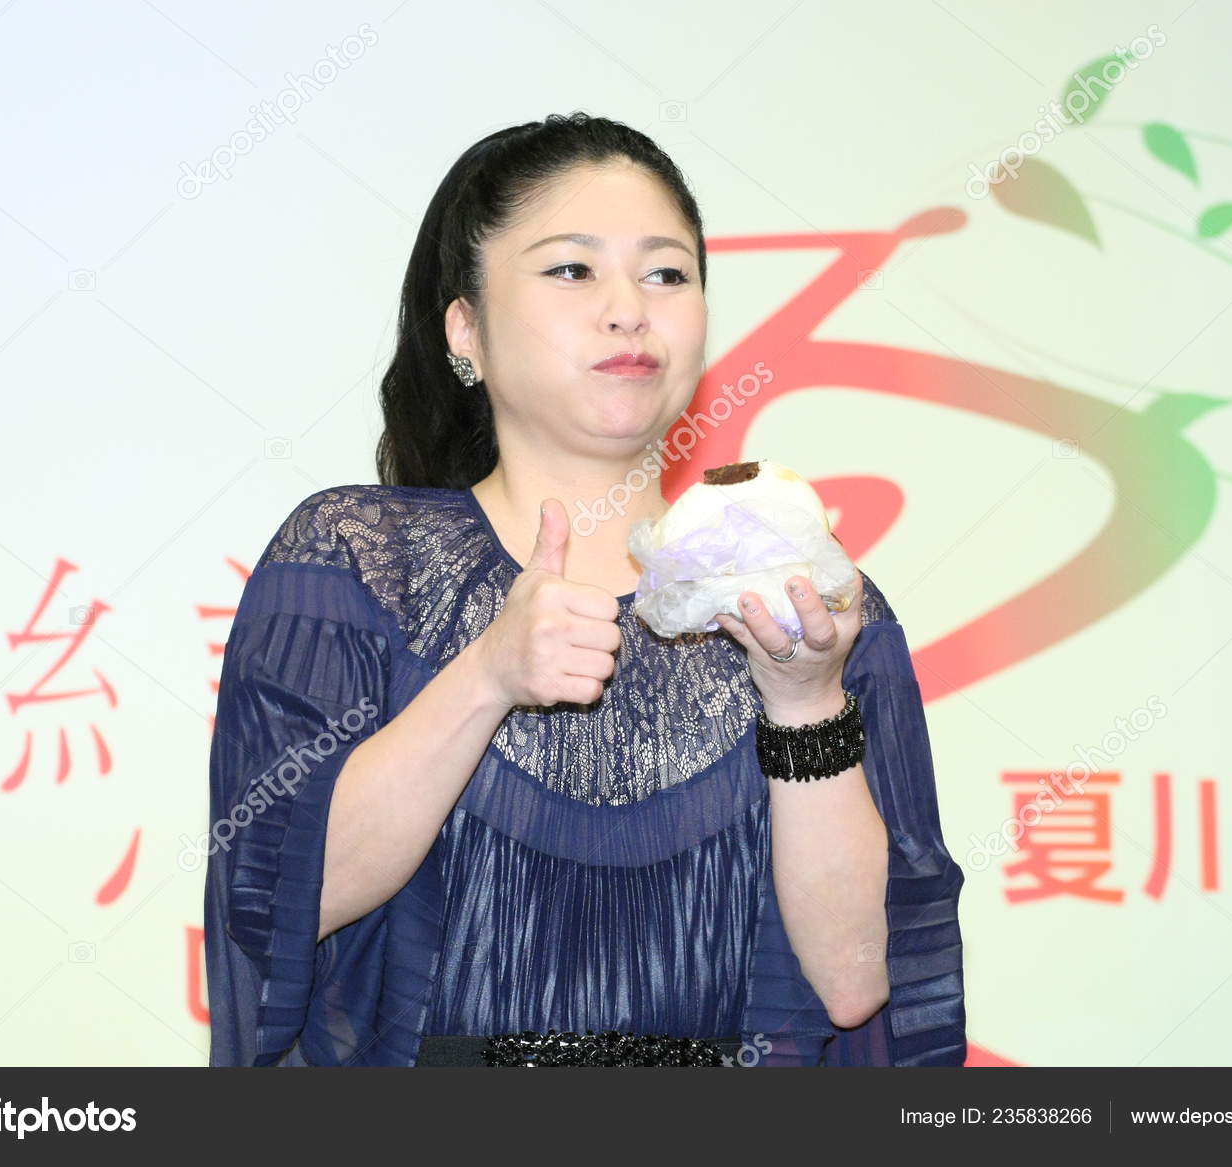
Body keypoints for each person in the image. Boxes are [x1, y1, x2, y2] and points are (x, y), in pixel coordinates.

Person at [203, 112, 965, 1067]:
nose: (628, 309)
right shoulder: (359, 559)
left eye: (666, 273)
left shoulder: (811, 602)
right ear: (464, 328)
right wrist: (486, 674)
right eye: (573, 269)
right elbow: (277, 900)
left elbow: (860, 986)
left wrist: (807, 703)